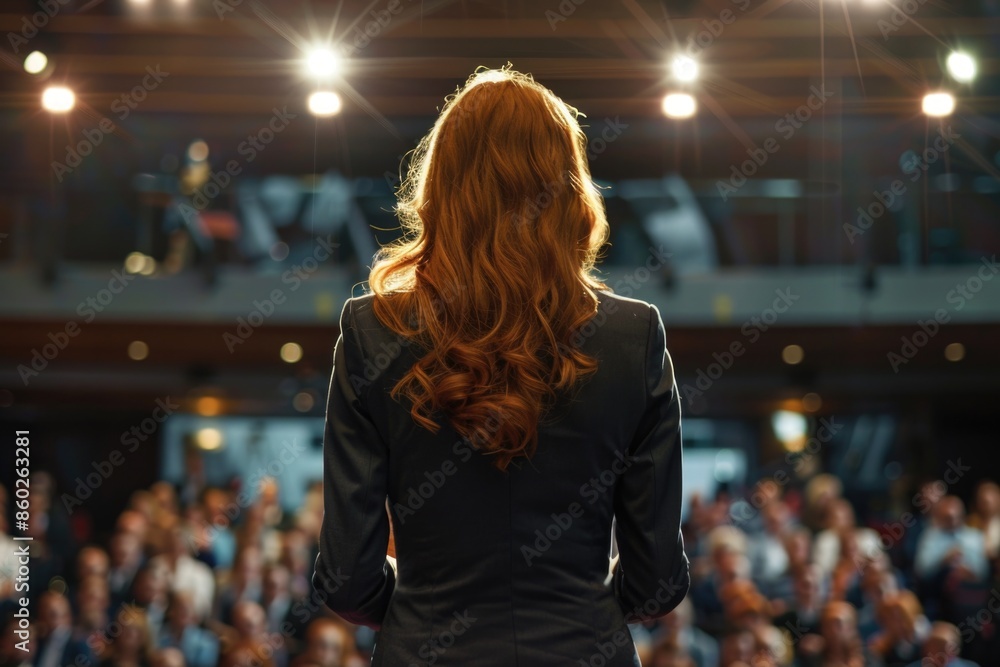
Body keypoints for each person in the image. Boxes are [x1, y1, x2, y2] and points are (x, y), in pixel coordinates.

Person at [311, 66, 690, 665]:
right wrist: (580, 609)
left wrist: (421, 612)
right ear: (568, 189)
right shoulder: (632, 336)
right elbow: (657, 584)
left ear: (441, 187)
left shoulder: (370, 331)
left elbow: (346, 581)